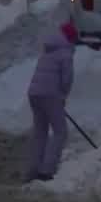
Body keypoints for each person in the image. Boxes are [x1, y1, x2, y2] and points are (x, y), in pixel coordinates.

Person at [26, 20, 77, 182]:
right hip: (50, 95)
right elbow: (66, 79)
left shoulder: (49, 49)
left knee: (40, 131)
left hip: (34, 93)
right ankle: (47, 170)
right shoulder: (65, 53)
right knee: (60, 132)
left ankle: (34, 168)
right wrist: (62, 96)